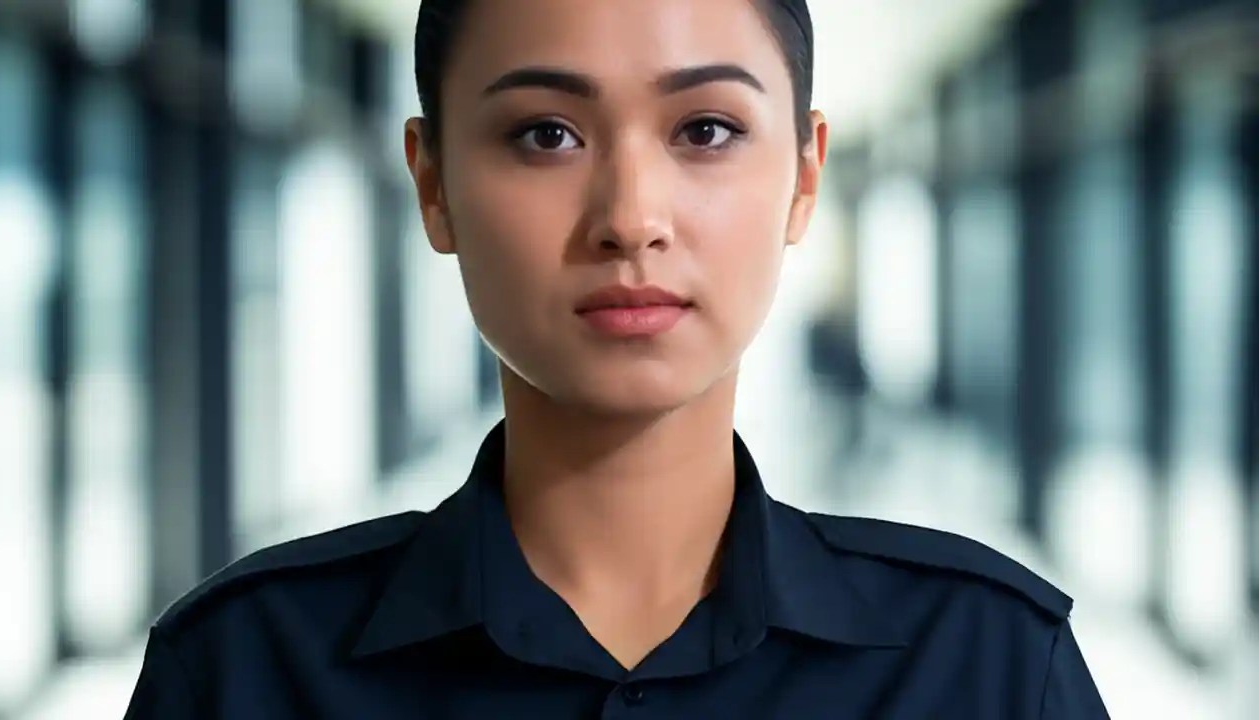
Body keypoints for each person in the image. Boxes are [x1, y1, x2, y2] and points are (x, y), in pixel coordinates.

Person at [123, 0, 1110, 717]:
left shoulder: (986, 667)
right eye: (544, 134)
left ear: (803, 179)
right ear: (432, 186)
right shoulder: (244, 671)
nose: (631, 218)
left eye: (706, 130)